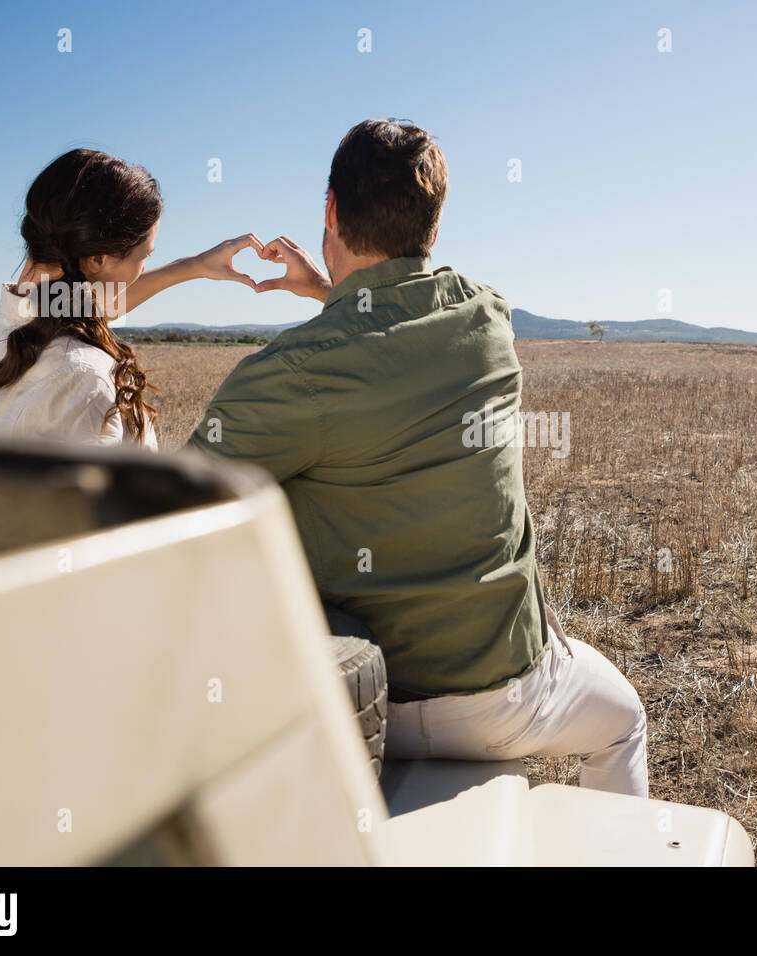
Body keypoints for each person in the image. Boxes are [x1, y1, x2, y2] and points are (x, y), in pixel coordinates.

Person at [187, 120, 649, 796]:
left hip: (361, 702)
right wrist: (334, 293)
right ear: (433, 224)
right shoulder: (487, 319)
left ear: (330, 210)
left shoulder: (285, 374)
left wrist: (330, 299)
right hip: (509, 695)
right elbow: (396, 339)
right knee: (624, 721)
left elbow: (177, 508)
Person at [0, 148, 263, 448]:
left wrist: (192, 266)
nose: (144, 267)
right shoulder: (84, 379)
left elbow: (89, 306)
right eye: (145, 255)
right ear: (97, 259)